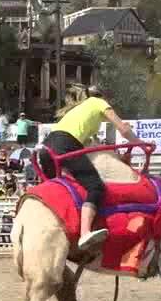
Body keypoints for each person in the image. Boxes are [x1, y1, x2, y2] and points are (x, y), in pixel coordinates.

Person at [44, 85, 141, 251]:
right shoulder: (98, 102)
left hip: (46, 149)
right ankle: (84, 233)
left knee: (63, 190)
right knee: (96, 187)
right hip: (65, 145)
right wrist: (139, 143)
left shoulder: (79, 111)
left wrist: (119, 157)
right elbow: (123, 129)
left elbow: (92, 146)